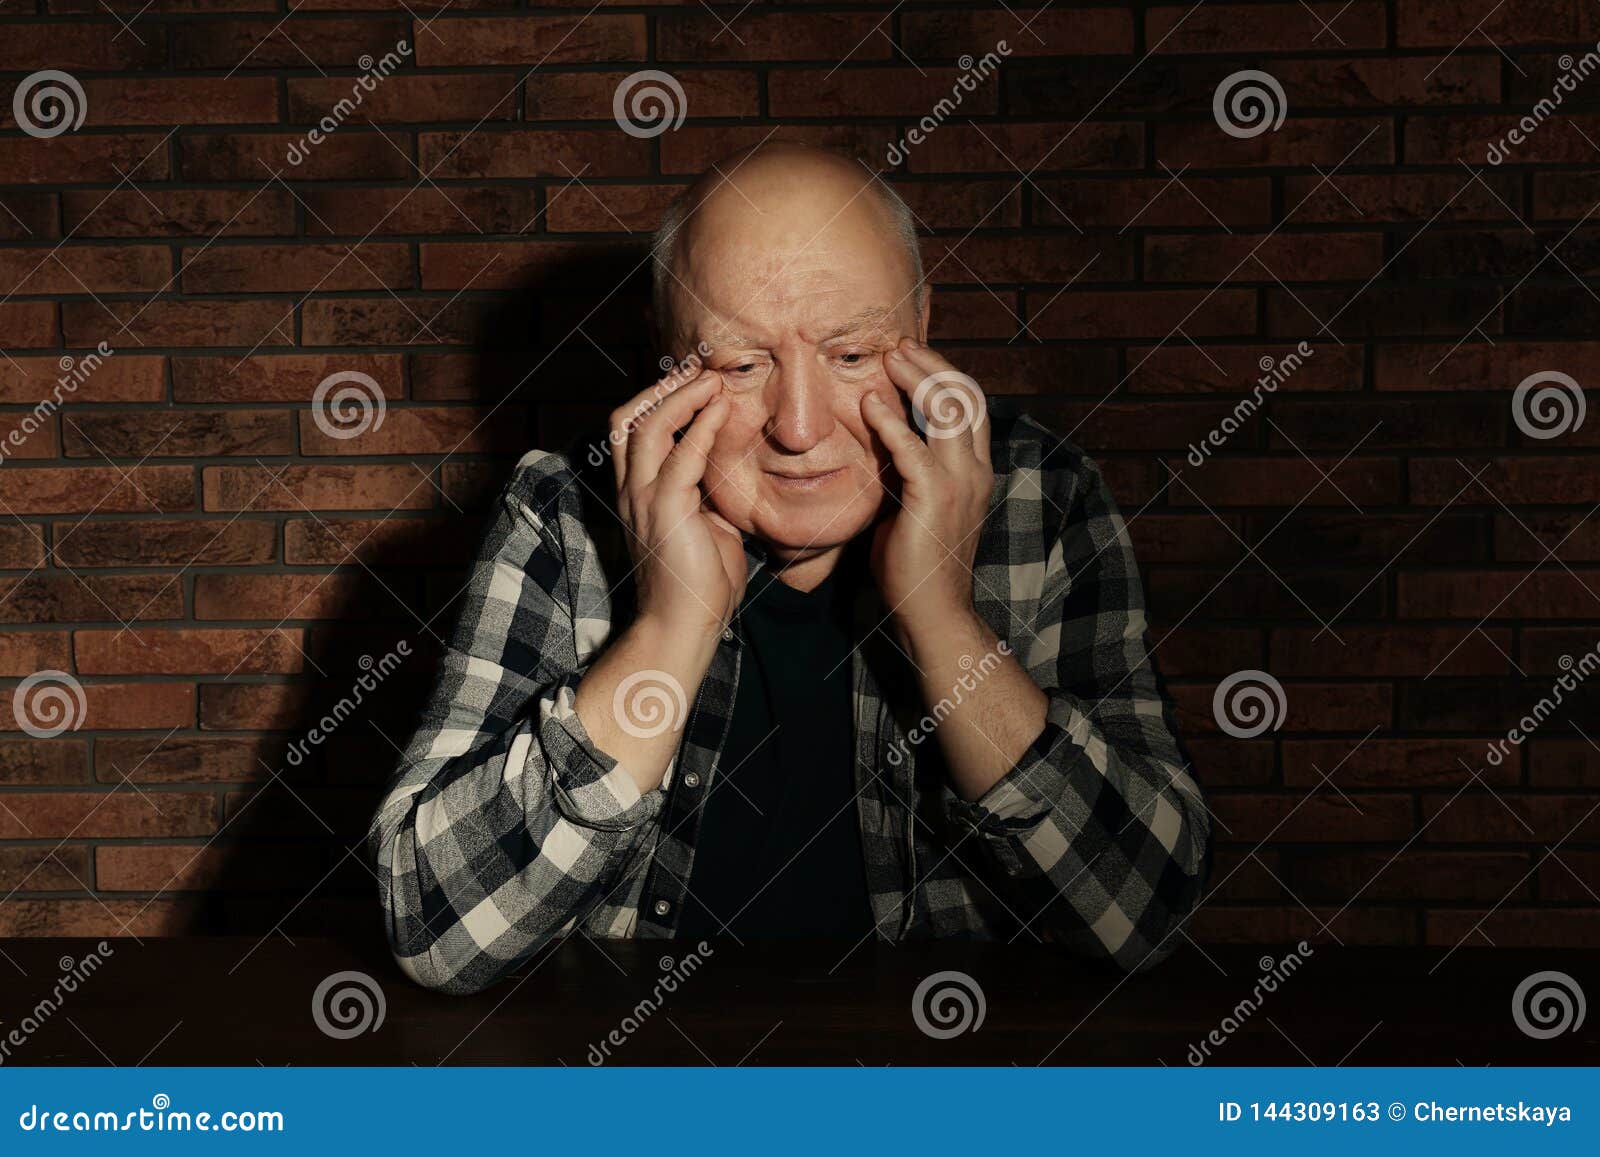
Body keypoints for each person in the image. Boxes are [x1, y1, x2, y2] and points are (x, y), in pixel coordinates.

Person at [366, 142, 1211, 995]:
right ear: (667, 362)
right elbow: (437, 932)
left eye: (851, 354)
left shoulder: (1044, 499)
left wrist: (941, 618)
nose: (799, 428)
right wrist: (671, 626)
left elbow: (1144, 917)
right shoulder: (563, 511)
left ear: (922, 329)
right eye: (741, 364)